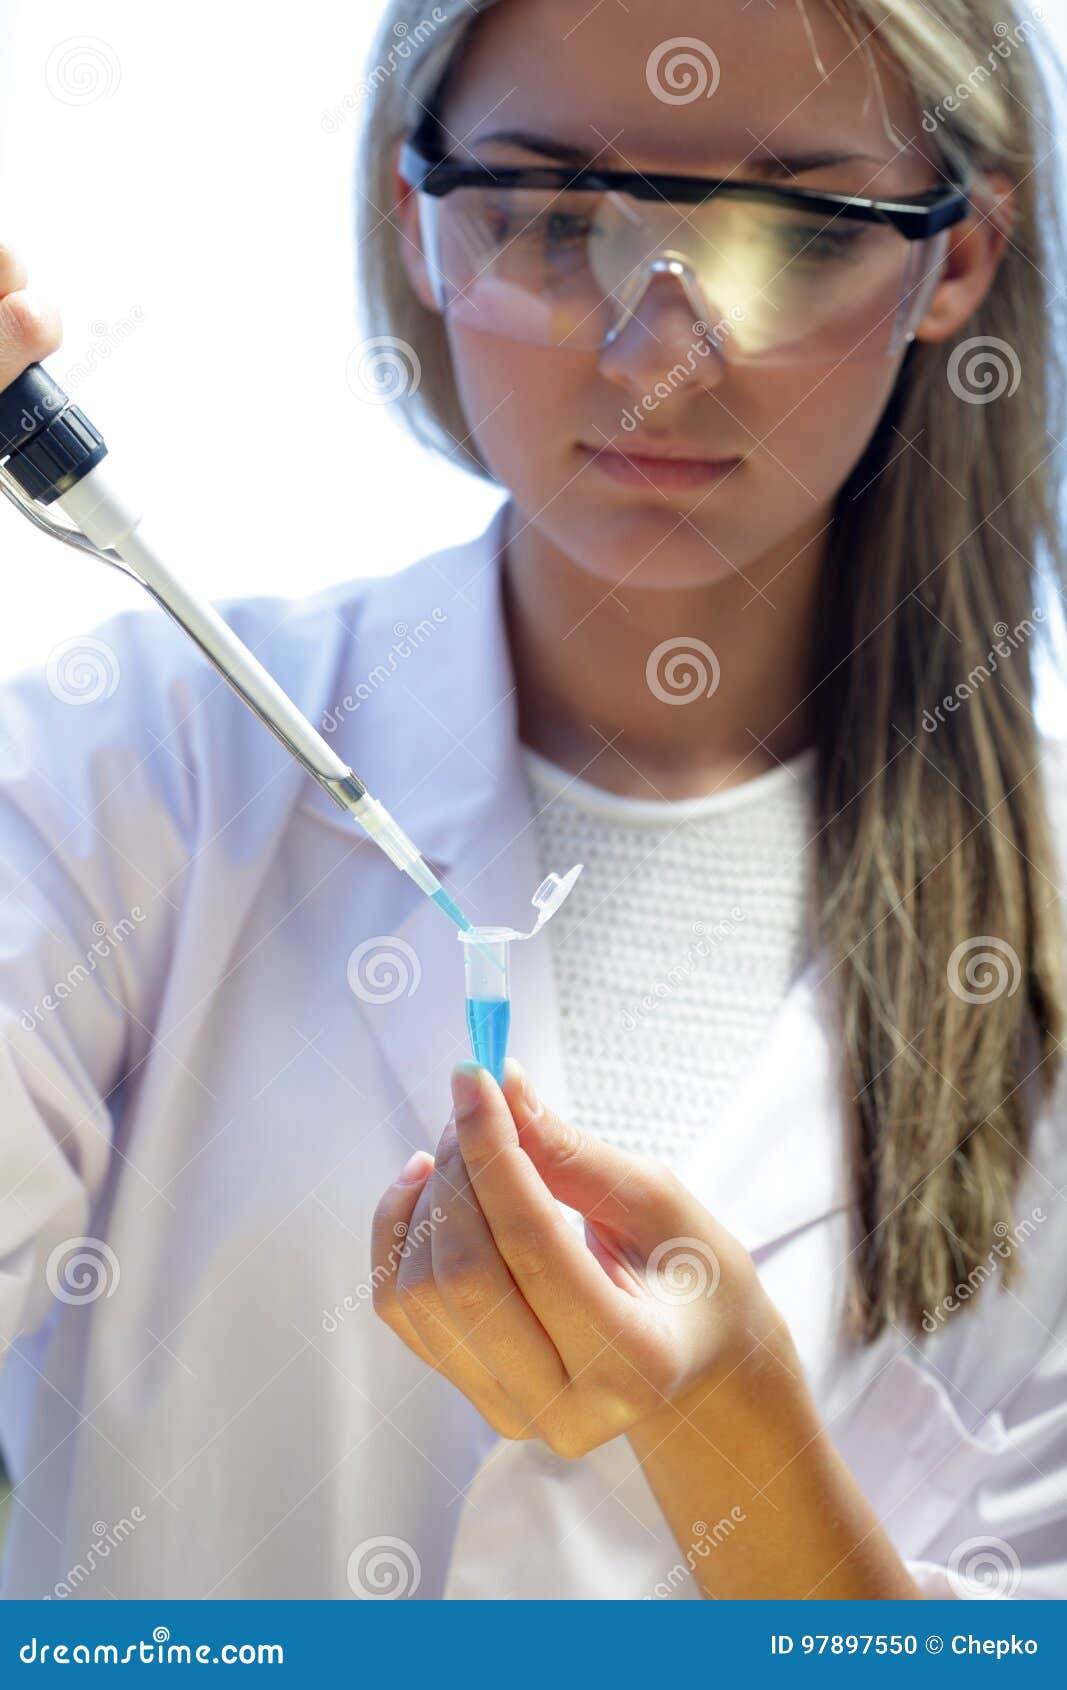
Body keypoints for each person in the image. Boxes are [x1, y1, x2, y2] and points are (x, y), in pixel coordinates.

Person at [0, 0, 1064, 1600]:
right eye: (558, 220)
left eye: (790, 231)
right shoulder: (141, 765)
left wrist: (725, 1418)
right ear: (410, 213)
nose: (658, 355)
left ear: (958, 261)